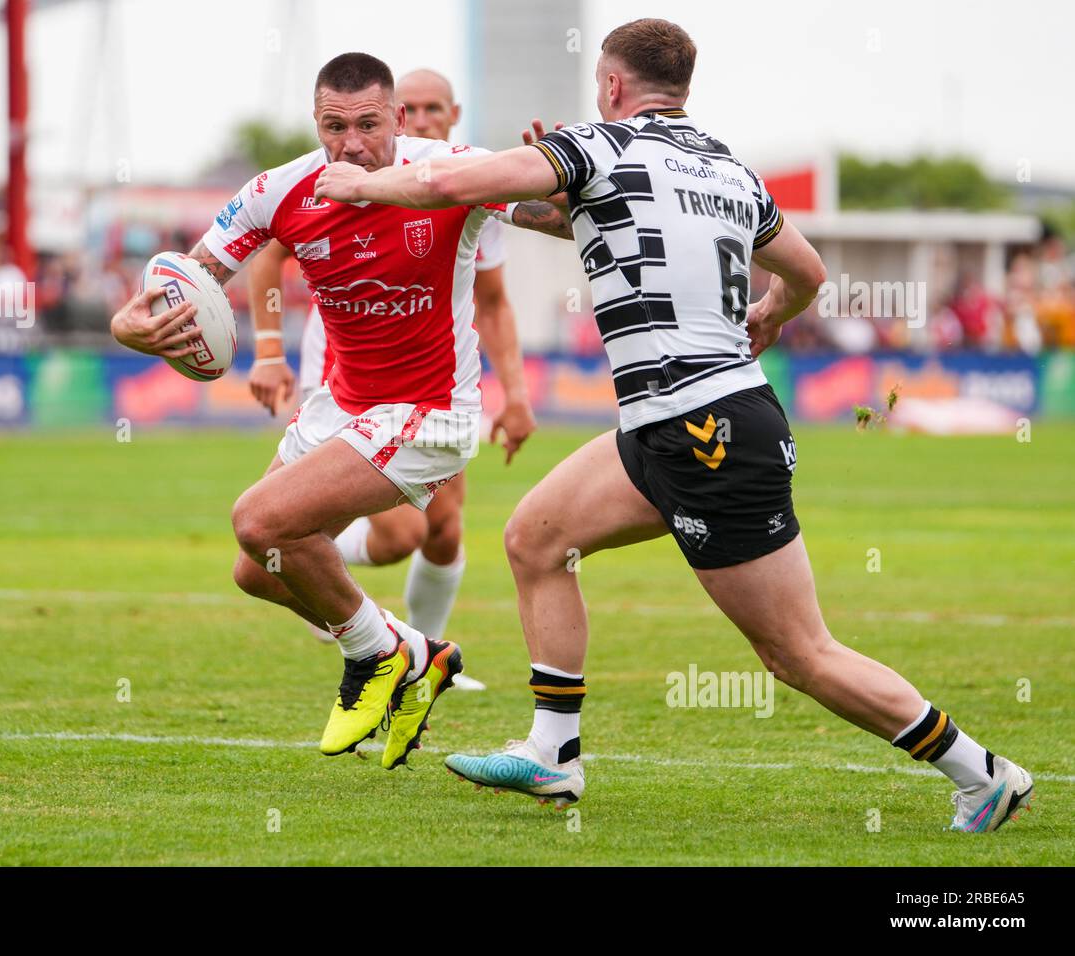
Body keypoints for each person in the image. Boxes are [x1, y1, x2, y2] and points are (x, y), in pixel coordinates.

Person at [313, 19, 1034, 831]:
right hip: (673, 421)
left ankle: (982, 773)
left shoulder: (600, 144)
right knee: (536, 537)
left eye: (599, 87)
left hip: (708, 430)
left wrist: (362, 185)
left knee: (797, 653)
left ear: (612, 86)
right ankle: (554, 752)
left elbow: (452, 184)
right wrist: (768, 314)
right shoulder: (726, 168)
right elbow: (808, 272)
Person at [108, 52, 567, 770]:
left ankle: (377, 657)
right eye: (334, 126)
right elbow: (192, 279)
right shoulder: (279, 189)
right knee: (257, 567)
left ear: (396, 120)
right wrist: (128, 326)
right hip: (341, 406)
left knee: (261, 519)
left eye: (368, 125)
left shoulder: (449, 173)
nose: (351, 143)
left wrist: (564, 181)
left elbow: (558, 221)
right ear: (315, 123)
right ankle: (414, 651)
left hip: (430, 409)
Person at [246, 68, 538, 693]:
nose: (426, 118)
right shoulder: (326, 183)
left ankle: (409, 653)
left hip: (426, 388)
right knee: (376, 536)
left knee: (442, 527)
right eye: (414, 105)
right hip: (342, 383)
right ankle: (387, 637)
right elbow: (267, 246)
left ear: (446, 118)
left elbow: (493, 301)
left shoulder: (464, 188)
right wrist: (268, 350)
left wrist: (516, 394)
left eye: (435, 108)